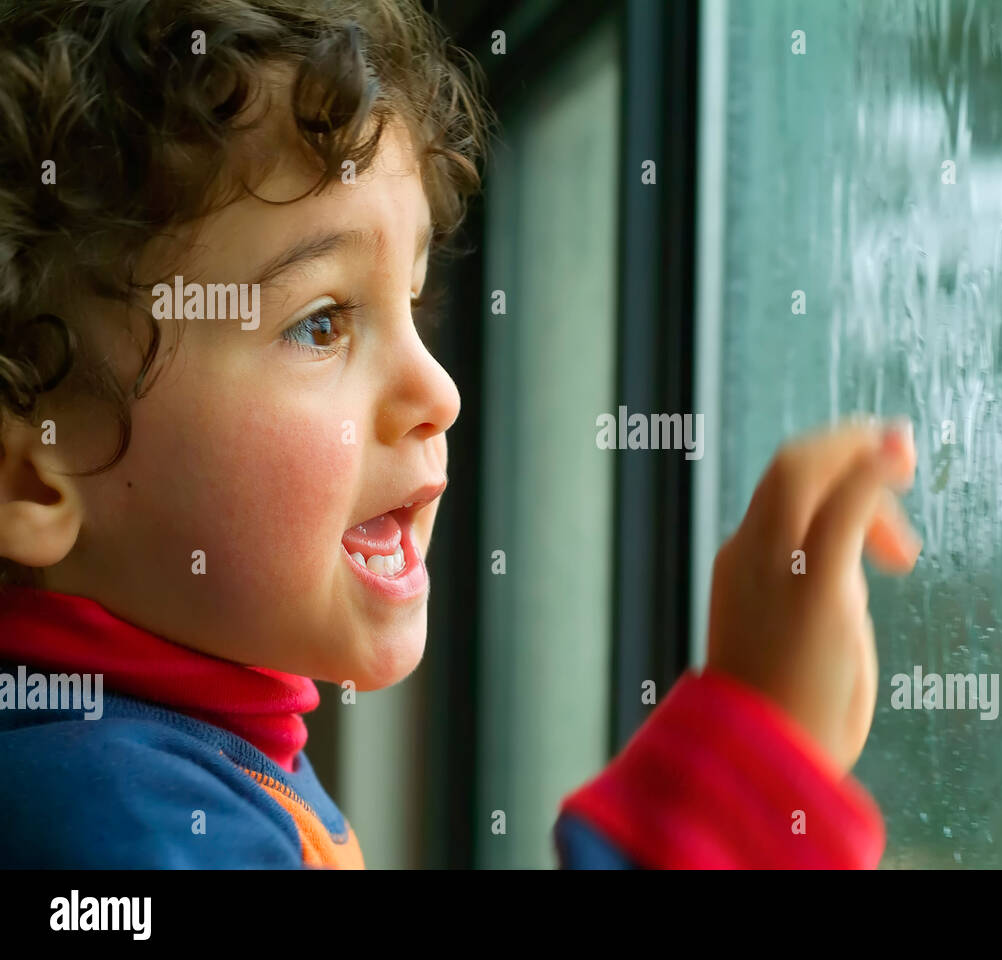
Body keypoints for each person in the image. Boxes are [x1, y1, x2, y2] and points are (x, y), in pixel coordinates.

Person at [0, 0, 921, 869]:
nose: (438, 390)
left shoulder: (166, 756)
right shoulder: (111, 815)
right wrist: (745, 772)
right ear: (34, 481)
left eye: (412, 301)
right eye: (322, 322)